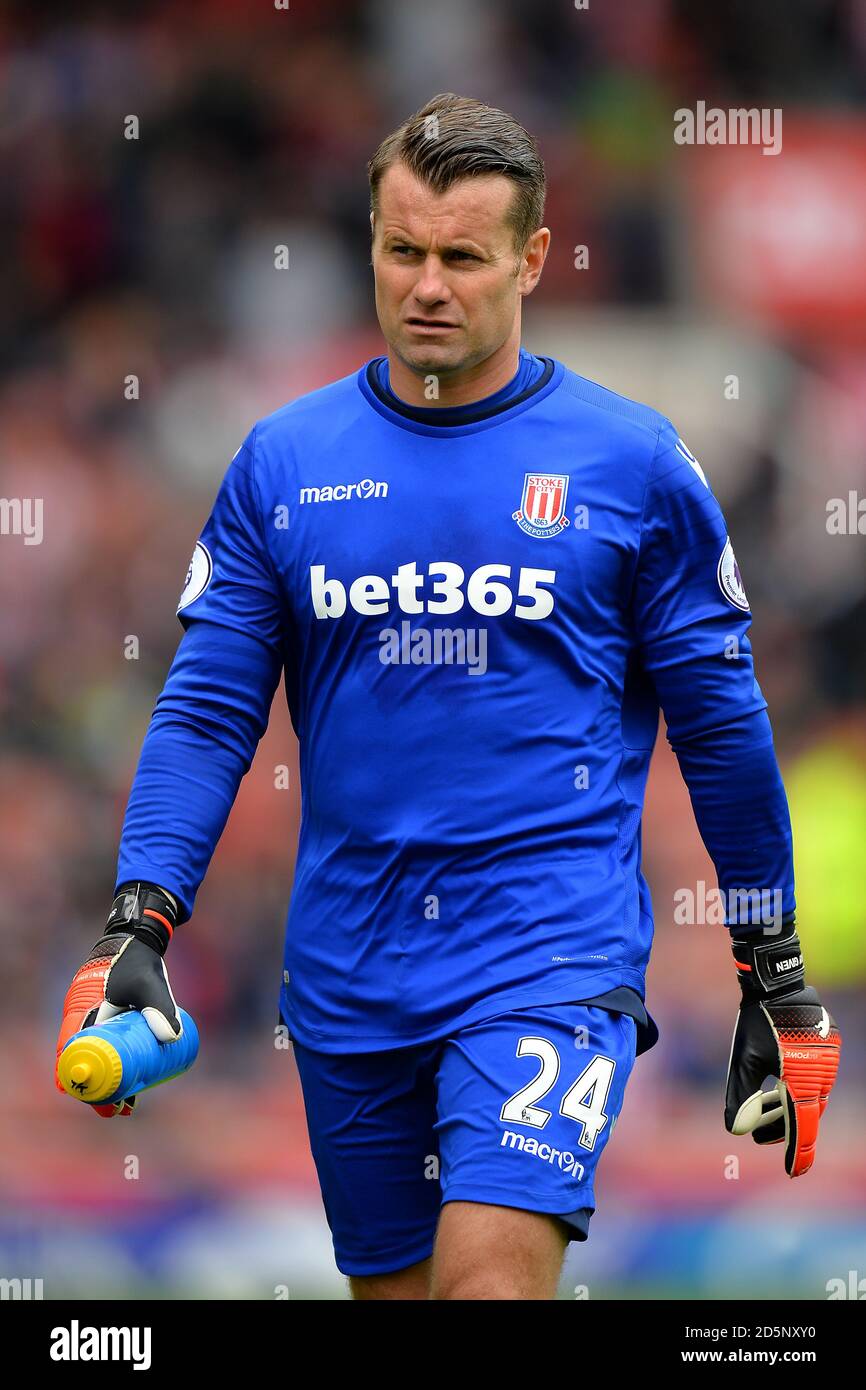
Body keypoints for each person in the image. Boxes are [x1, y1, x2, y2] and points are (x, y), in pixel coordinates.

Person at [56, 93, 841, 1301]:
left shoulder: (628, 465)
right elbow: (209, 711)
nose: (426, 285)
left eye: (461, 257)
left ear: (528, 258)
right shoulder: (283, 463)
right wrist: (140, 917)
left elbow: (720, 728)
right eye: (400, 250)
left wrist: (769, 962)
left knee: (488, 1288)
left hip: (546, 952)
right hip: (347, 967)